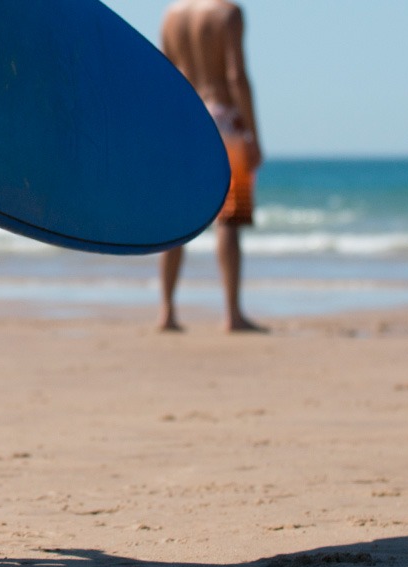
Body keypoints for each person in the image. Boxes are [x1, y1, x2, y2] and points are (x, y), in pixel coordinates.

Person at [157, 0, 264, 334]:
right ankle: (232, 314)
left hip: (184, 120)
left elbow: (163, 77)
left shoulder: (171, 16)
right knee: (229, 218)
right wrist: (253, 134)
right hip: (222, 117)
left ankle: (167, 312)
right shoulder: (227, 13)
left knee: (176, 221)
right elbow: (236, 77)